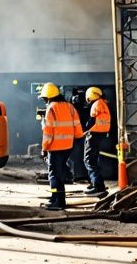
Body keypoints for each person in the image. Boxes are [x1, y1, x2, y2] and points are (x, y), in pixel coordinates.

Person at [39, 82, 82, 210]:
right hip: (68, 146)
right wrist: (77, 137)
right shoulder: (69, 107)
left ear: (48, 97)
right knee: (60, 173)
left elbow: (48, 133)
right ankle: (55, 198)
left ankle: (58, 201)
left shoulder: (51, 108)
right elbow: (77, 127)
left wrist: (44, 148)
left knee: (54, 175)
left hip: (54, 147)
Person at [81, 87, 111, 195]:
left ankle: (98, 187)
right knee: (93, 160)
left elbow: (91, 121)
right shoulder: (103, 103)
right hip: (100, 134)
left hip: (94, 134)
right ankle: (95, 183)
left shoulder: (96, 104)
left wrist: (84, 131)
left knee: (89, 160)